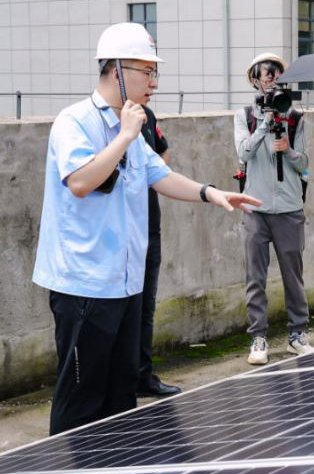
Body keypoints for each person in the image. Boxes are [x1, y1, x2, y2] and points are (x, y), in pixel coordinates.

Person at [32, 22, 259, 435]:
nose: (153, 83)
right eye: (146, 71)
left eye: (155, 73)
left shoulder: (130, 127)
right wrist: (125, 134)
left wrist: (212, 193)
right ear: (116, 69)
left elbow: (160, 174)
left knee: (122, 397)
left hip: (126, 283)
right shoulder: (76, 122)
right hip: (84, 286)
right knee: (81, 399)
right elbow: (82, 182)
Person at [235, 53, 314, 365]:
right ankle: (258, 337)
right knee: (255, 275)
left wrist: (290, 151)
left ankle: (297, 334)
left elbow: (305, 162)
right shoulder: (245, 115)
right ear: (256, 80)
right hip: (255, 206)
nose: (272, 80)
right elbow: (243, 152)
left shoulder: (295, 116)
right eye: (266, 75)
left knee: (293, 274)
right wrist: (265, 125)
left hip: (289, 206)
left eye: (277, 75)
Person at [136, 95, 180, 397]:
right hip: (123, 230)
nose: (152, 83)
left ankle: (142, 377)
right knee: (123, 310)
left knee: (145, 308)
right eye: (146, 72)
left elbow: (163, 154)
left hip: (150, 226)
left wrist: (147, 177)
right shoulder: (104, 122)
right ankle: (118, 381)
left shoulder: (148, 116)